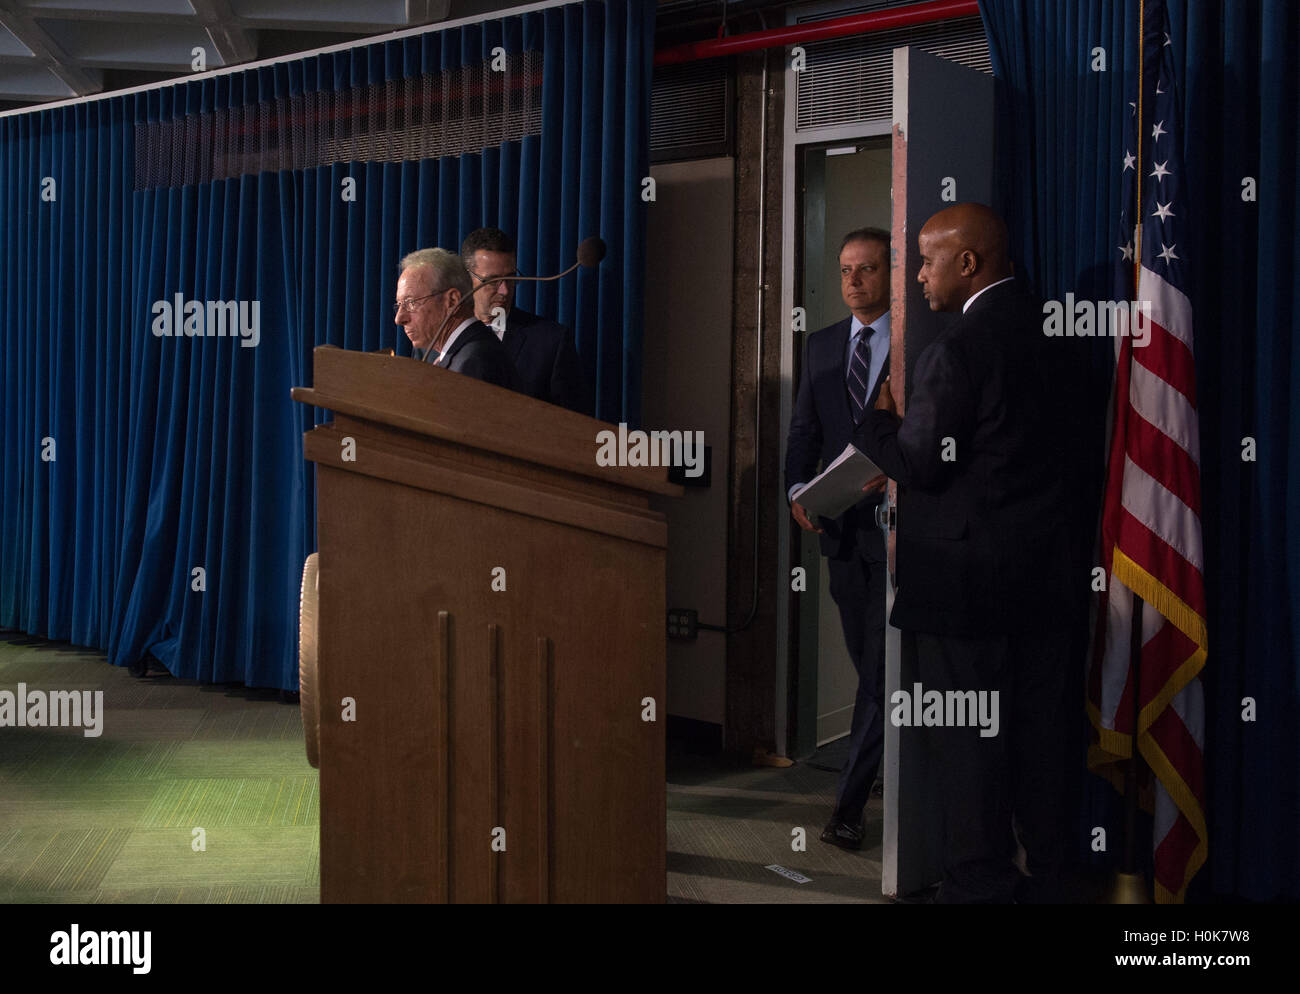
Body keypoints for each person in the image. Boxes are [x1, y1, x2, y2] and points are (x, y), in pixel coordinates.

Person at [854, 203, 1075, 903]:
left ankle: (981, 883)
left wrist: (878, 422)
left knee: (970, 743)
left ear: (968, 263)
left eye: (925, 259)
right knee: (1041, 735)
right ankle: (1054, 872)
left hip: (964, 587)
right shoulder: (1057, 335)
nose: (915, 276)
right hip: (1046, 581)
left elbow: (919, 463)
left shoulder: (956, 348)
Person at [785, 227, 891, 851]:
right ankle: (883, 766)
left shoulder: (911, 338)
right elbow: (803, 430)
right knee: (871, 670)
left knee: (878, 675)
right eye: (847, 270)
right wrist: (797, 490)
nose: (853, 281)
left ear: (889, 273)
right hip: (840, 533)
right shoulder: (823, 344)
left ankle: (848, 807)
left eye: (867, 269)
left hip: (902, 536)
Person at [460, 227, 591, 414]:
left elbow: (575, 424)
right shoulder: (442, 334)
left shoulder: (551, 342)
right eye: (493, 281)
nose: (505, 291)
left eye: (511, 278)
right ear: (466, 279)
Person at [395, 248, 517, 389]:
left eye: (411, 303)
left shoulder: (472, 362)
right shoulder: (461, 353)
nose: (399, 318)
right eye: (399, 305)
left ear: (452, 300)